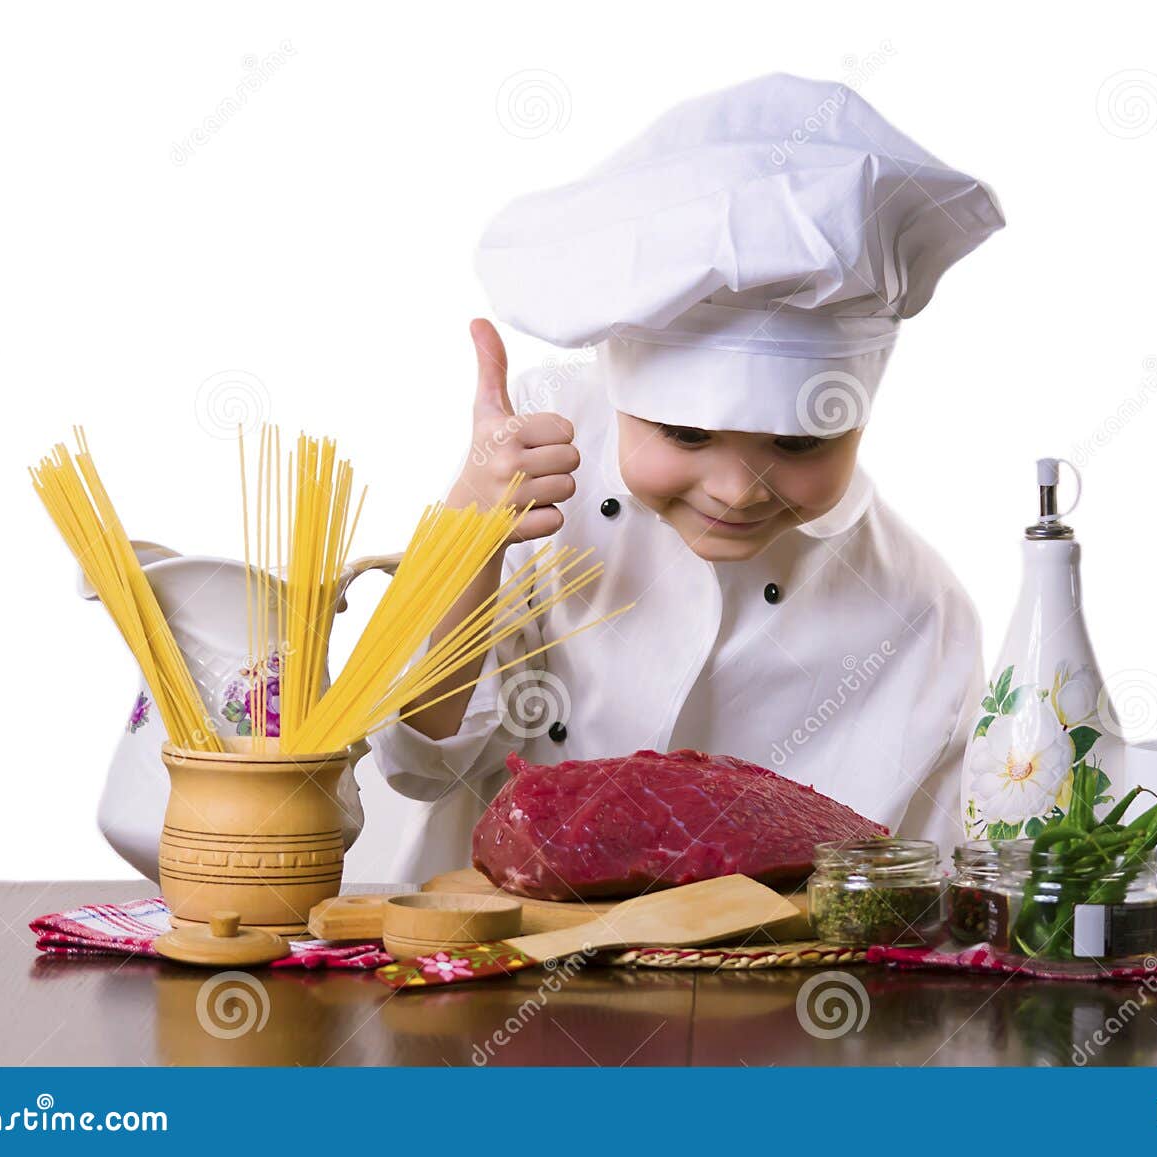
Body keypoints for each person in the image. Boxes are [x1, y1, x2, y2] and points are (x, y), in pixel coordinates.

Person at [370, 73, 1004, 881]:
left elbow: (915, 900)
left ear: (859, 419)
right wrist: (469, 534)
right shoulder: (538, 488)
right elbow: (415, 760)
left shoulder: (922, 614)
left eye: (799, 443)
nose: (737, 489)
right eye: (687, 432)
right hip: (501, 981)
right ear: (624, 399)